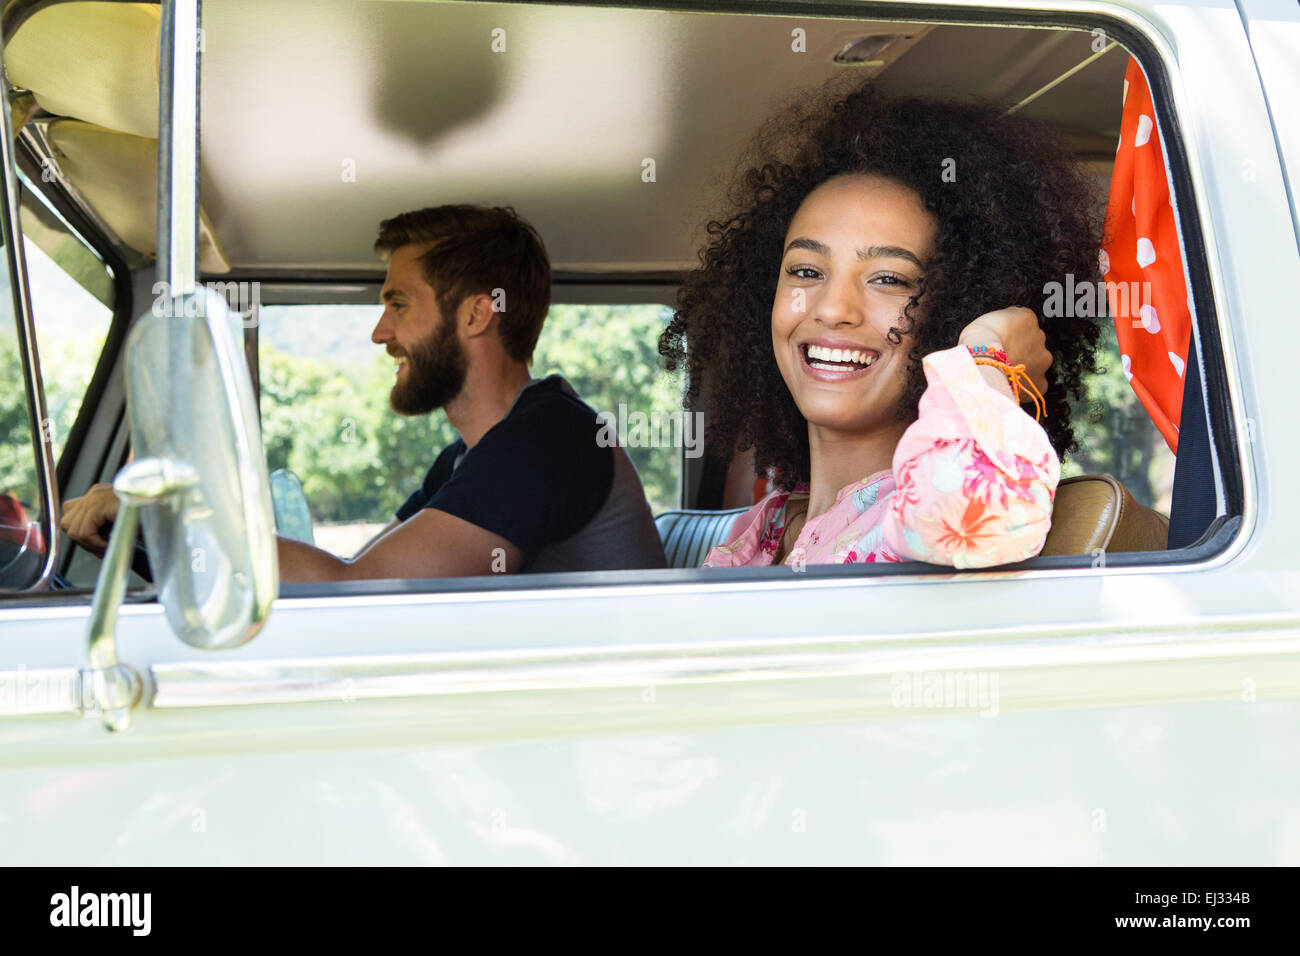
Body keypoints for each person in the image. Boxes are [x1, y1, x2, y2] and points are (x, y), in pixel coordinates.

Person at [64, 204, 667, 580]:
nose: (381, 333)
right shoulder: (465, 462)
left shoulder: (548, 441)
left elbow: (355, 587)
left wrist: (179, 516)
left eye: (398, 305)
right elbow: (349, 574)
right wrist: (153, 537)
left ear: (478, 314)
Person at [659, 81, 1104, 568]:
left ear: (957, 307)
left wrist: (983, 349)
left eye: (888, 278)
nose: (832, 308)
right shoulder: (764, 526)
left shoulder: (917, 521)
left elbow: (970, 512)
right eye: (806, 270)